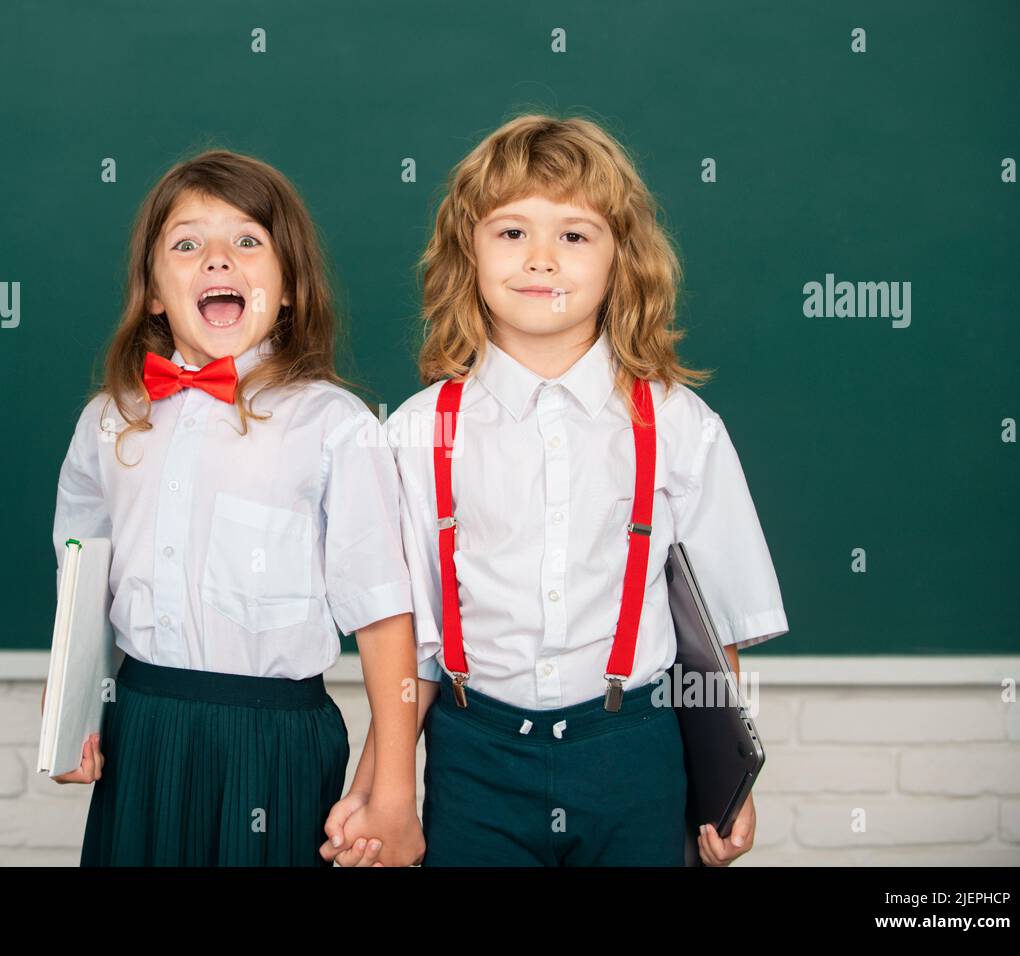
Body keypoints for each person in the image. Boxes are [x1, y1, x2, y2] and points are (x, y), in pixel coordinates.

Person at [323, 114, 787, 867]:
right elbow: (412, 646)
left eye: (574, 235)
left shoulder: (679, 423)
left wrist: (729, 782)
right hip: (476, 759)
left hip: (635, 753)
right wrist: (382, 789)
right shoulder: (415, 432)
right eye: (511, 233)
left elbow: (719, 627)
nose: (541, 259)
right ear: (464, 254)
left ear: (621, 260)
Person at [48, 149, 424, 866]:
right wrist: (66, 720)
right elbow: (80, 576)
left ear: (287, 288)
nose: (218, 259)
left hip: (274, 738)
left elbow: (383, 617)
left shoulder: (335, 425)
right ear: (154, 292)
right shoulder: (109, 420)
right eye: (187, 244)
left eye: (248, 241)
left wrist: (396, 797)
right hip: (142, 725)